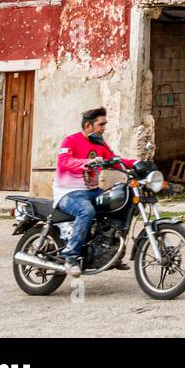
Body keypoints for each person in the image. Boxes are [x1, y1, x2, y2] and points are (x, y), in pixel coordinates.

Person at [54, 108, 135, 276]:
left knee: (122, 203)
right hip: (69, 192)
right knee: (86, 210)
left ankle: (112, 251)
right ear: (88, 125)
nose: (104, 128)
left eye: (105, 124)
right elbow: (64, 161)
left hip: (92, 191)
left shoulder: (99, 144)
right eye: (101, 124)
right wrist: (87, 162)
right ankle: (71, 256)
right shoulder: (71, 141)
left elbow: (114, 161)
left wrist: (137, 163)